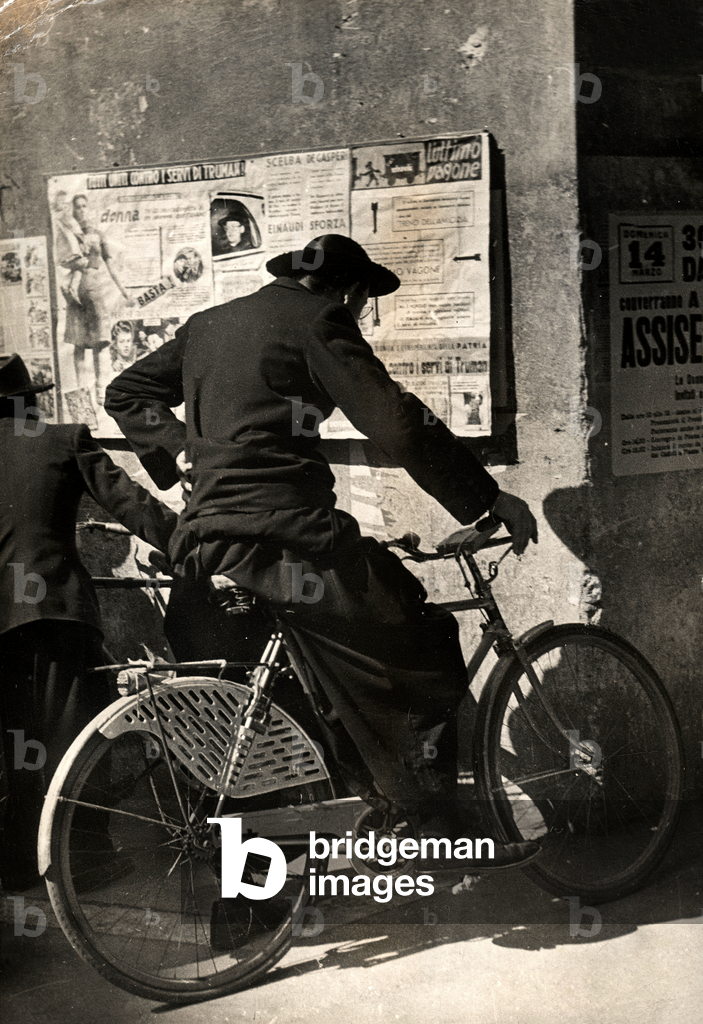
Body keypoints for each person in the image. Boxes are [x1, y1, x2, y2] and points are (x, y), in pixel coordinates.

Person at [105, 234, 539, 869]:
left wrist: (181, 450)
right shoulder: (319, 320)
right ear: (347, 290)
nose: (360, 312)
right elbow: (396, 423)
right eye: (363, 301)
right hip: (286, 543)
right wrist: (486, 499)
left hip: (202, 549)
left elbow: (126, 391)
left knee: (277, 696)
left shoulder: (209, 323)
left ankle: (270, 878)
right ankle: (434, 827)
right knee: (420, 639)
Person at [0, 354, 178, 892]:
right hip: (54, 612)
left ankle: (17, 864)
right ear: (29, 401)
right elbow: (133, 506)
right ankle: (84, 860)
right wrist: (198, 547)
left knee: (15, 745)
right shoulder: (61, 440)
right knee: (73, 739)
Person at [62, 194, 133, 406]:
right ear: (73, 211)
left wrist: (124, 292)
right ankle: (82, 396)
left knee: (100, 342)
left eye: (85, 206)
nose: (82, 210)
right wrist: (77, 261)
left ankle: (101, 390)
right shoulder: (69, 234)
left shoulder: (98, 235)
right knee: (78, 343)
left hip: (93, 289)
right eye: (78, 207)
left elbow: (110, 265)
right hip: (75, 292)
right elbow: (62, 261)